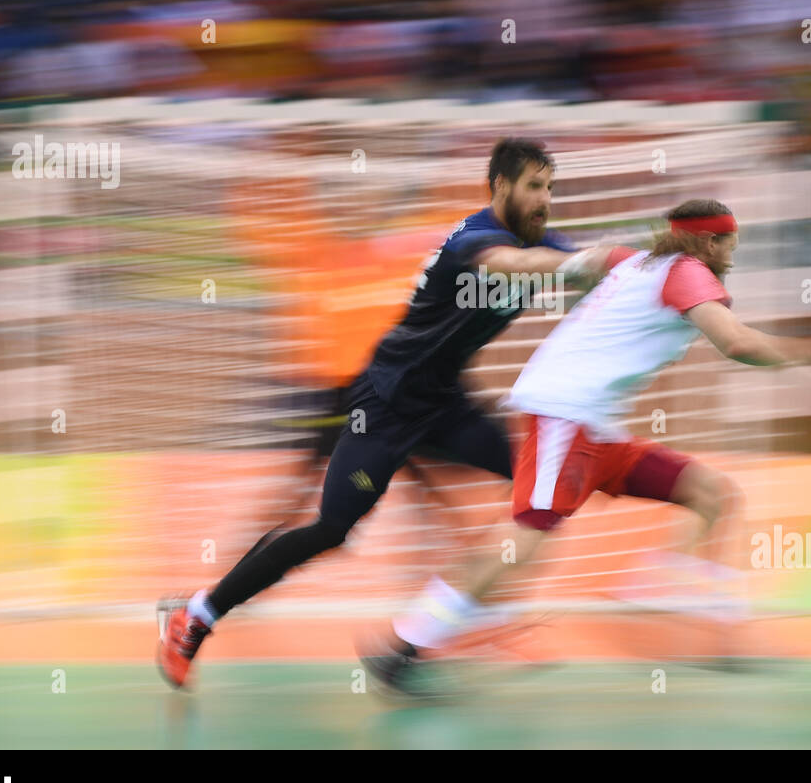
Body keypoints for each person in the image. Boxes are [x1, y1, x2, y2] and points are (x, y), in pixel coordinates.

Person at [361, 198, 811, 696]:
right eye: (727, 244)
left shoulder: (626, 259)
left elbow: (554, 263)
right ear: (705, 244)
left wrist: (503, 259)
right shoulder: (687, 273)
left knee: (713, 495)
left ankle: (700, 615)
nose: (732, 254)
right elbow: (739, 344)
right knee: (523, 536)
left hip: (598, 429)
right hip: (566, 415)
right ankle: (405, 645)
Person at [157, 138, 611, 688]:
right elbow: (515, 264)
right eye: (534, 187)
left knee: (538, 487)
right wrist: (582, 264)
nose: (544, 199)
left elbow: (595, 270)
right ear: (500, 188)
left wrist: (650, 266)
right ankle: (198, 615)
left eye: (550, 189)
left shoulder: (547, 243)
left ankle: (436, 630)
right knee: (331, 528)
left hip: (444, 405)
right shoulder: (476, 240)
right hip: (384, 404)